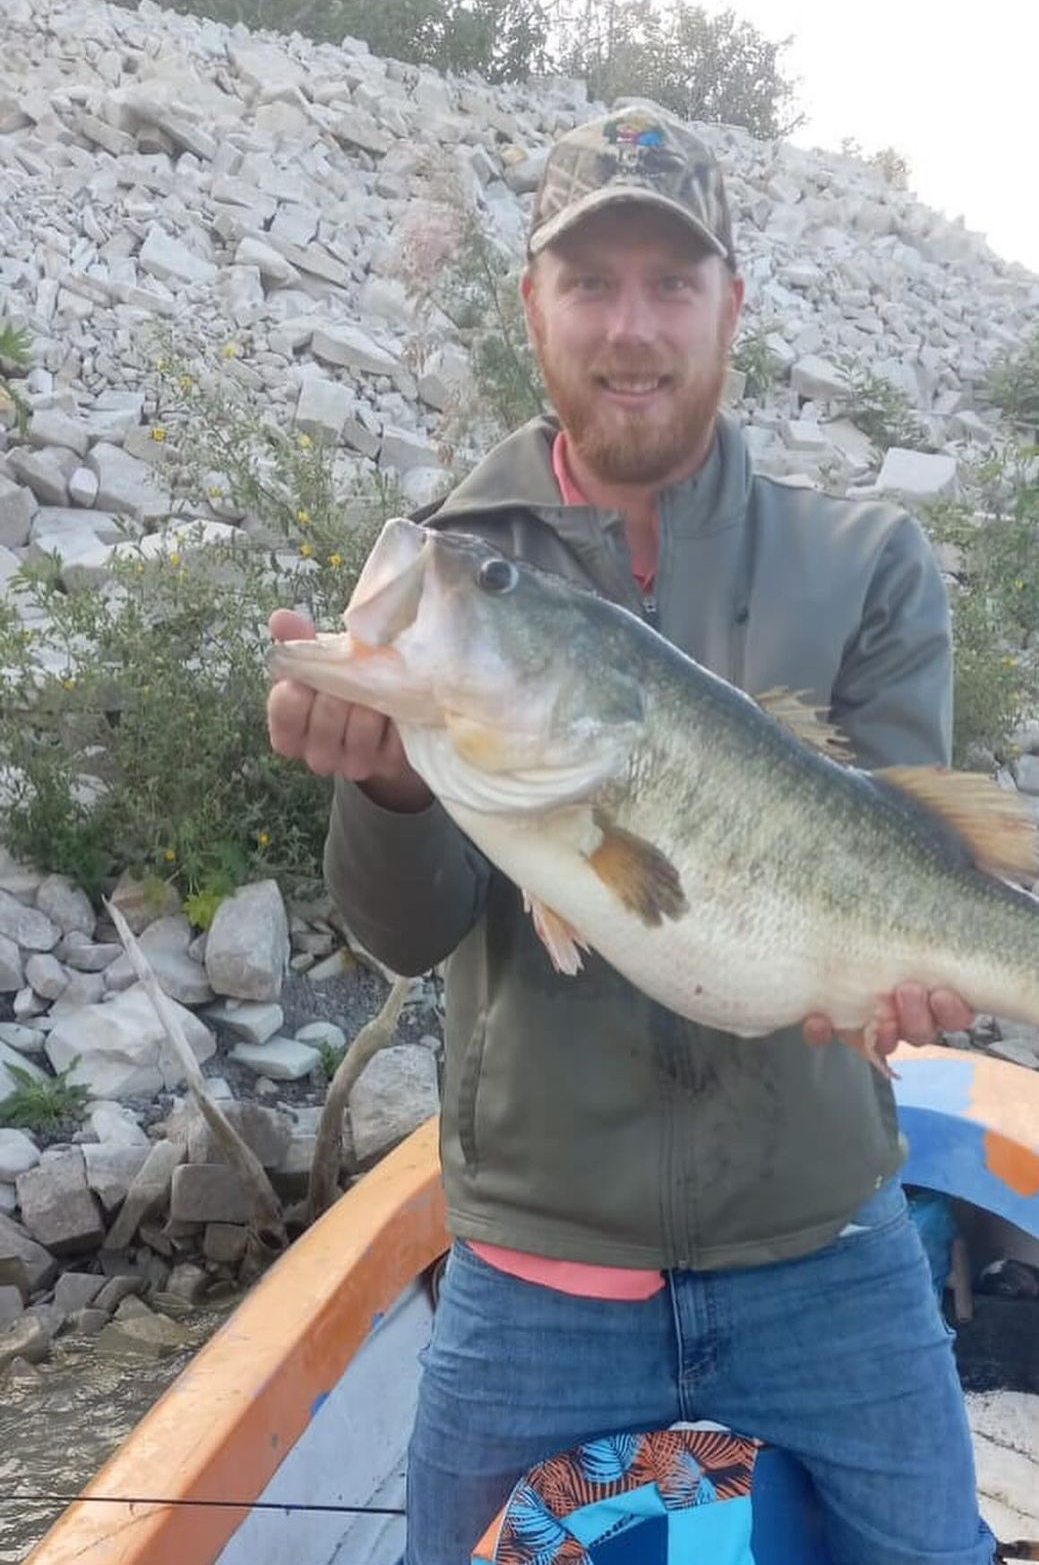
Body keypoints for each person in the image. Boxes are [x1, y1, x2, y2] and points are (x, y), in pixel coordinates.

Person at [267, 105, 995, 1565]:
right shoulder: (465, 559)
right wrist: (392, 787)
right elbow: (402, 935)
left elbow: (910, 856)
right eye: (590, 282)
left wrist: (914, 975)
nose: (633, 328)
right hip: (537, 1279)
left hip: (826, 1254)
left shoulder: (864, 561)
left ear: (733, 306)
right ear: (528, 306)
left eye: (672, 283)